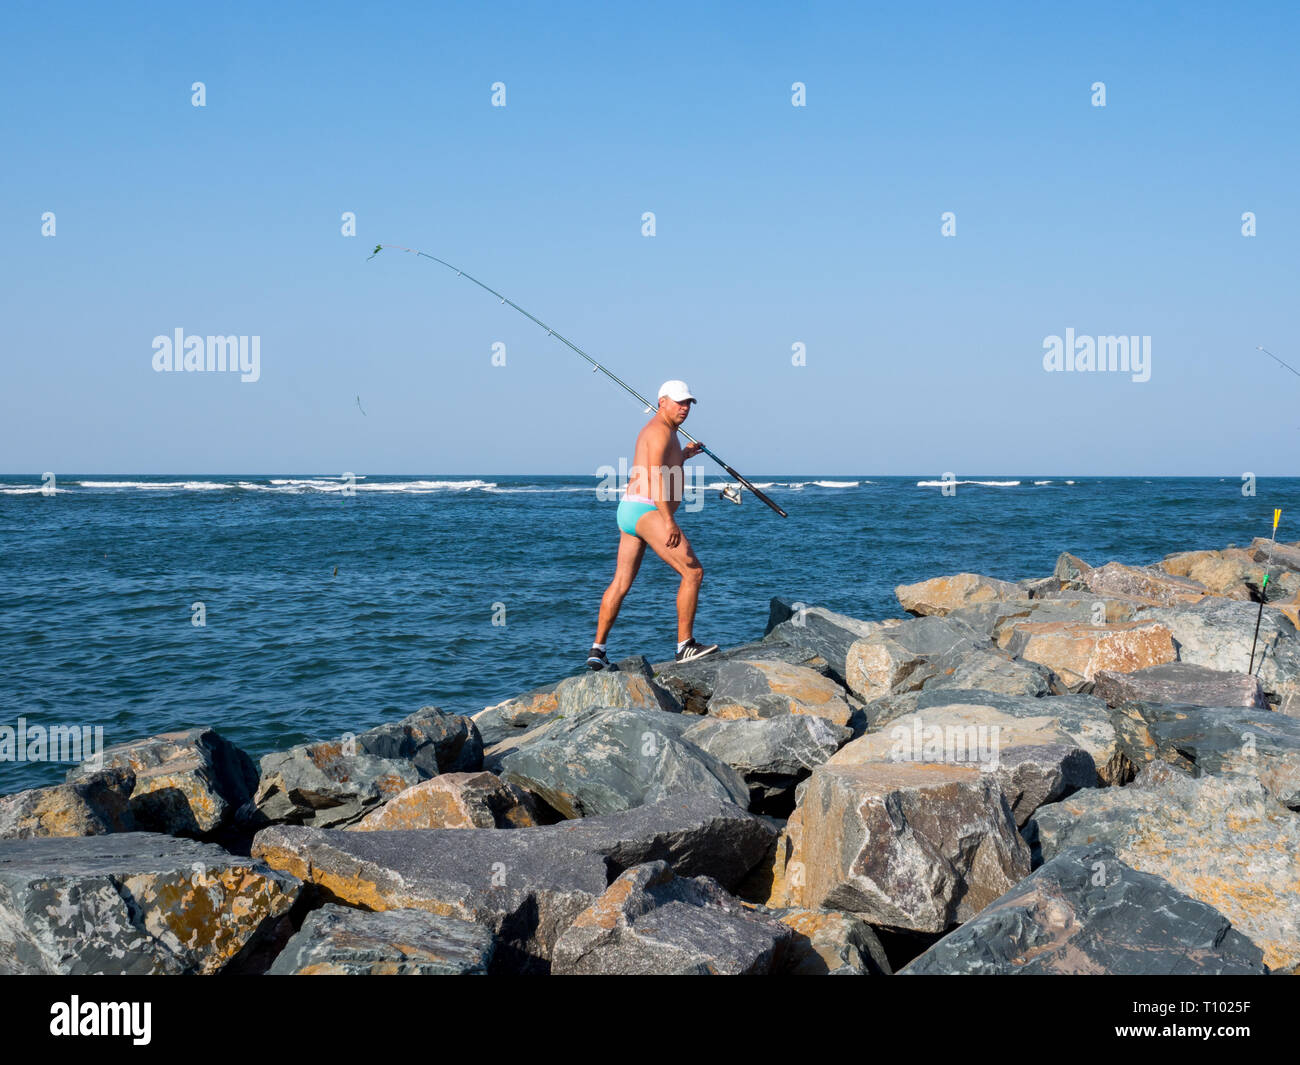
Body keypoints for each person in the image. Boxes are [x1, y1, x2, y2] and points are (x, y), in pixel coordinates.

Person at [586, 380, 720, 669]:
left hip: (631, 509)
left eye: (688, 403)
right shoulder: (659, 432)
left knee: (621, 581)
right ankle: (685, 646)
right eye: (679, 402)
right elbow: (657, 477)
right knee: (693, 572)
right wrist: (668, 520)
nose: (684, 408)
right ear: (662, 402)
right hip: (649, 510)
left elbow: (664, 466)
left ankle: (597, 649)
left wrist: (684, 454)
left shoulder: (665, 432)